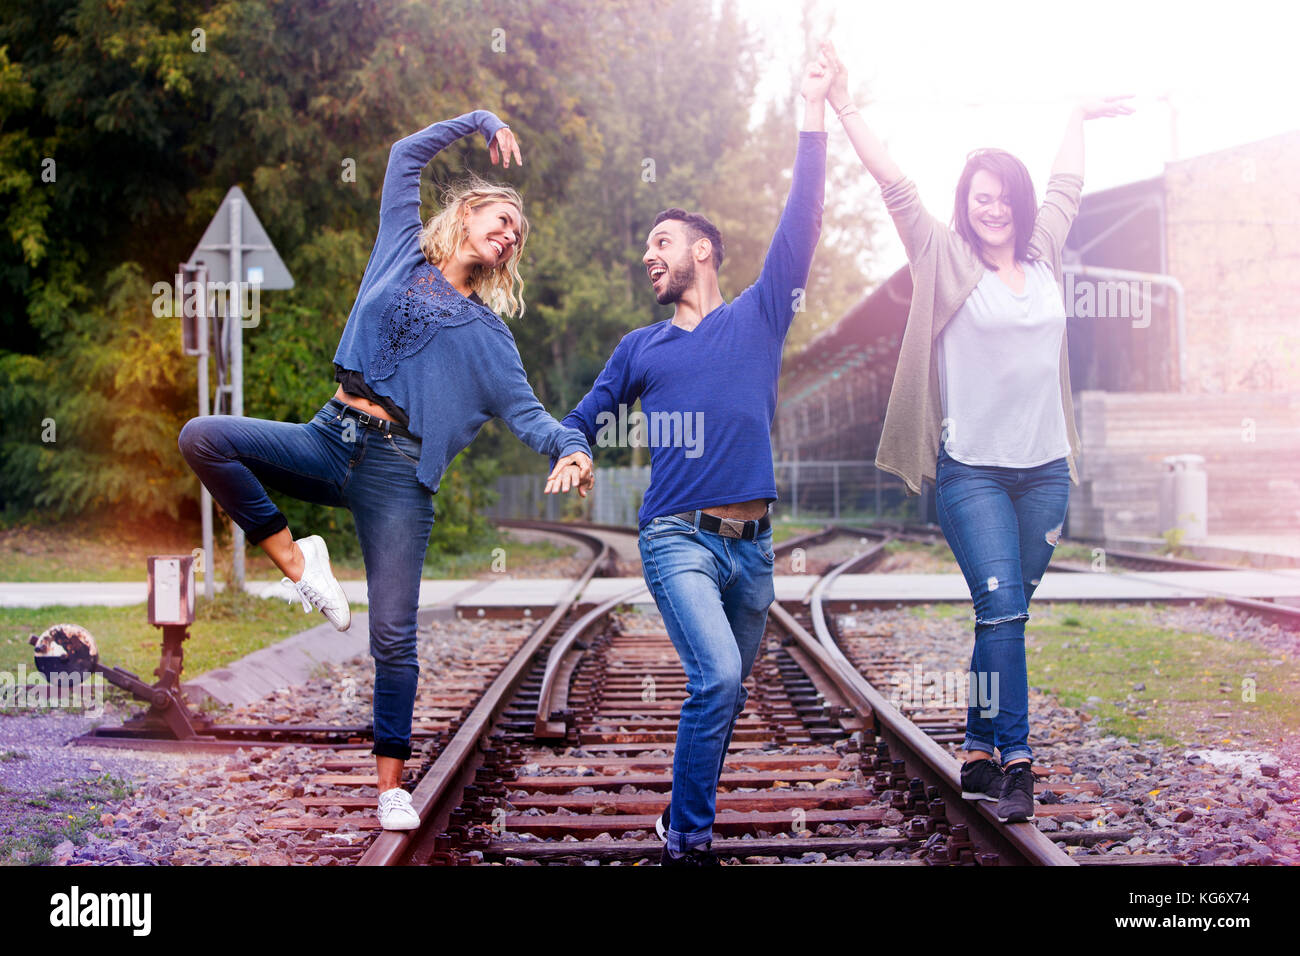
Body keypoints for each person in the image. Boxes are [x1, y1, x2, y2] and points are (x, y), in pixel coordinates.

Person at [179, 110, 594, 830]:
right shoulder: (401, 250)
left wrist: (573, 449)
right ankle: (297, 562)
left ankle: (390, 788)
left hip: (398, 475)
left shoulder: (490, 336)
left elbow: (531, 416)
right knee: (203, 437)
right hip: (329, 435)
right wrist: (481, 121)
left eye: (515, 235)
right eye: (499, 220)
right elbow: (405, 155)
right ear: (464, 217)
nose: (507, 235)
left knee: (394, 635)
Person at [819, 39, 1132, 822]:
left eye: (1003, 197)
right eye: (980, 197)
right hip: (973, 473)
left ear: (1019, 206)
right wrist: (842, 102)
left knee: (1005, 615)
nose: (992, 208)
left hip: (1046, 472)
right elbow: (893, 183)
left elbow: (1067, 182)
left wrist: (1076, 115)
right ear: (966, 204)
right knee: (1002, 610)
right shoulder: (942, 254)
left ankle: (975, 742)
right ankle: (1017, 759)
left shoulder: (1046, 250)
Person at [553, 58, 832, 865]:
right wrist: (574, 448)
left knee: (727, 693)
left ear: (703, 251)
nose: (649, 255)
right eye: (646, 246)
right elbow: (586, 414)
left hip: (754, 549)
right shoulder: (638, 348)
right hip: (677, 539)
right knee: (716, 680)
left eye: (662, 242)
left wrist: (810, 112)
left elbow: (803, 220)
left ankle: (679, 814)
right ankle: (691, 844)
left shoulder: (761, 314)